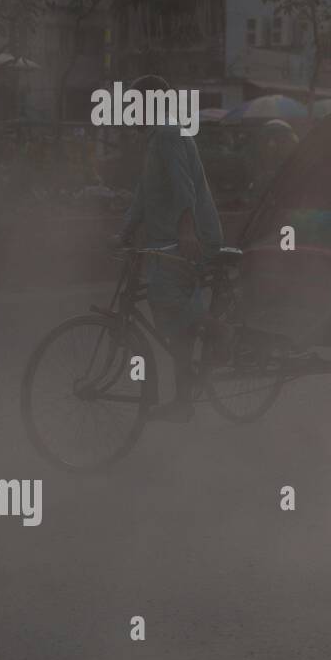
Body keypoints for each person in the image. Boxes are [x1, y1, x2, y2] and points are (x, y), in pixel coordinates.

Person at [114, 74, 223, 422]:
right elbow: (144, 197)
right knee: (172, 319)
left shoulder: (167, 133)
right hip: (168, 240)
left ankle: (224, 334)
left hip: (189, 237)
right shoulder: (154, 139)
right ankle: (184, 401)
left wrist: (188, 229)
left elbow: (183, 186)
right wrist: (124, 233)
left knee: (174, 310)